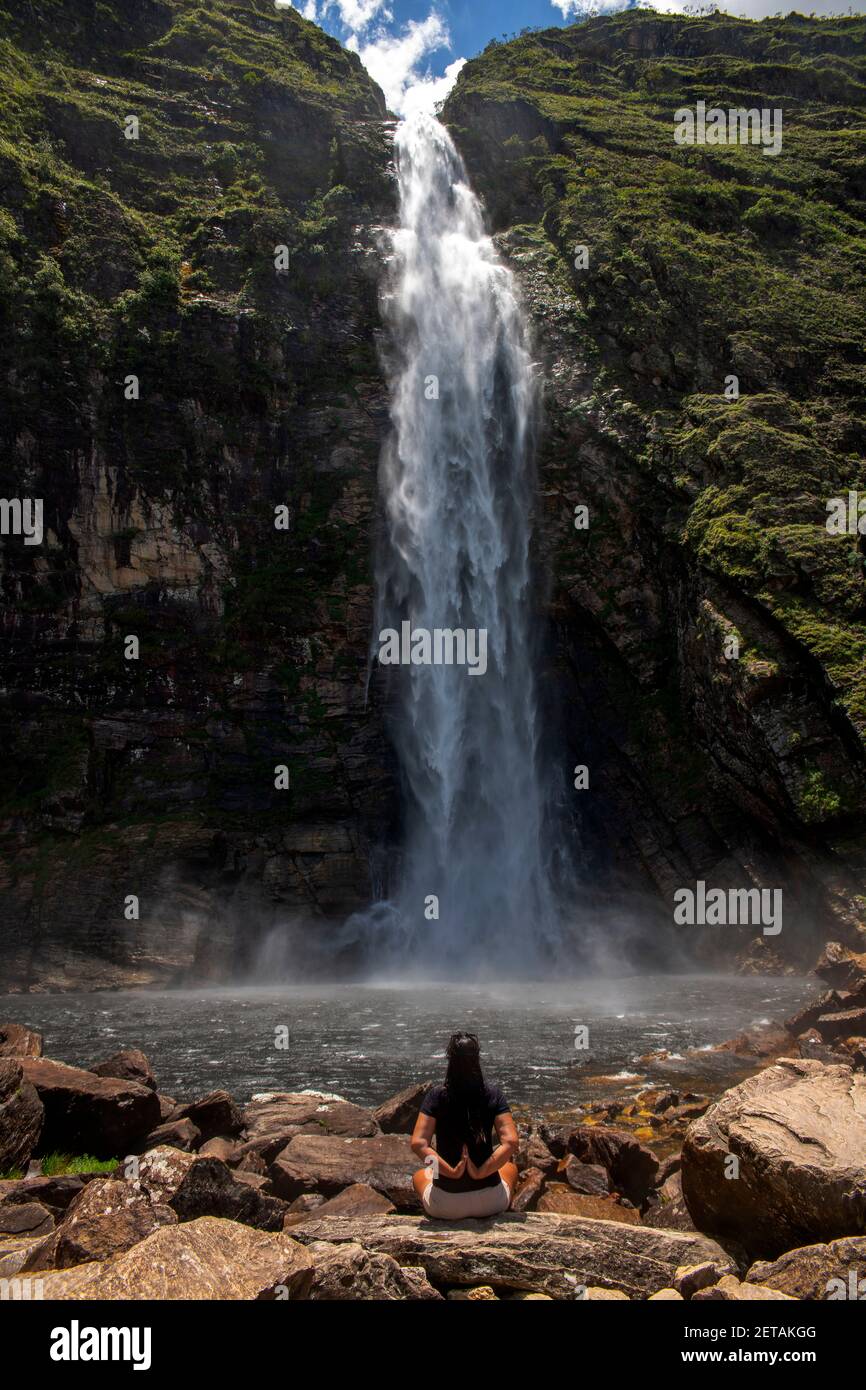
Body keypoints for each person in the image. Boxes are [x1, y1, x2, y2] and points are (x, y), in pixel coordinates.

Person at [410, 1031, 519, 1219]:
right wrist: (482, 1171)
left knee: (419, 1176)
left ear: (450, 1059)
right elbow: (511, 1142)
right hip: (490, 1203)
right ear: (477, 1057)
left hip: (447, 1205)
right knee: (511, 1169)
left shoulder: (436, 1096)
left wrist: (449, 1172)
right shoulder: (493, 1094)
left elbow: (418, 1144)